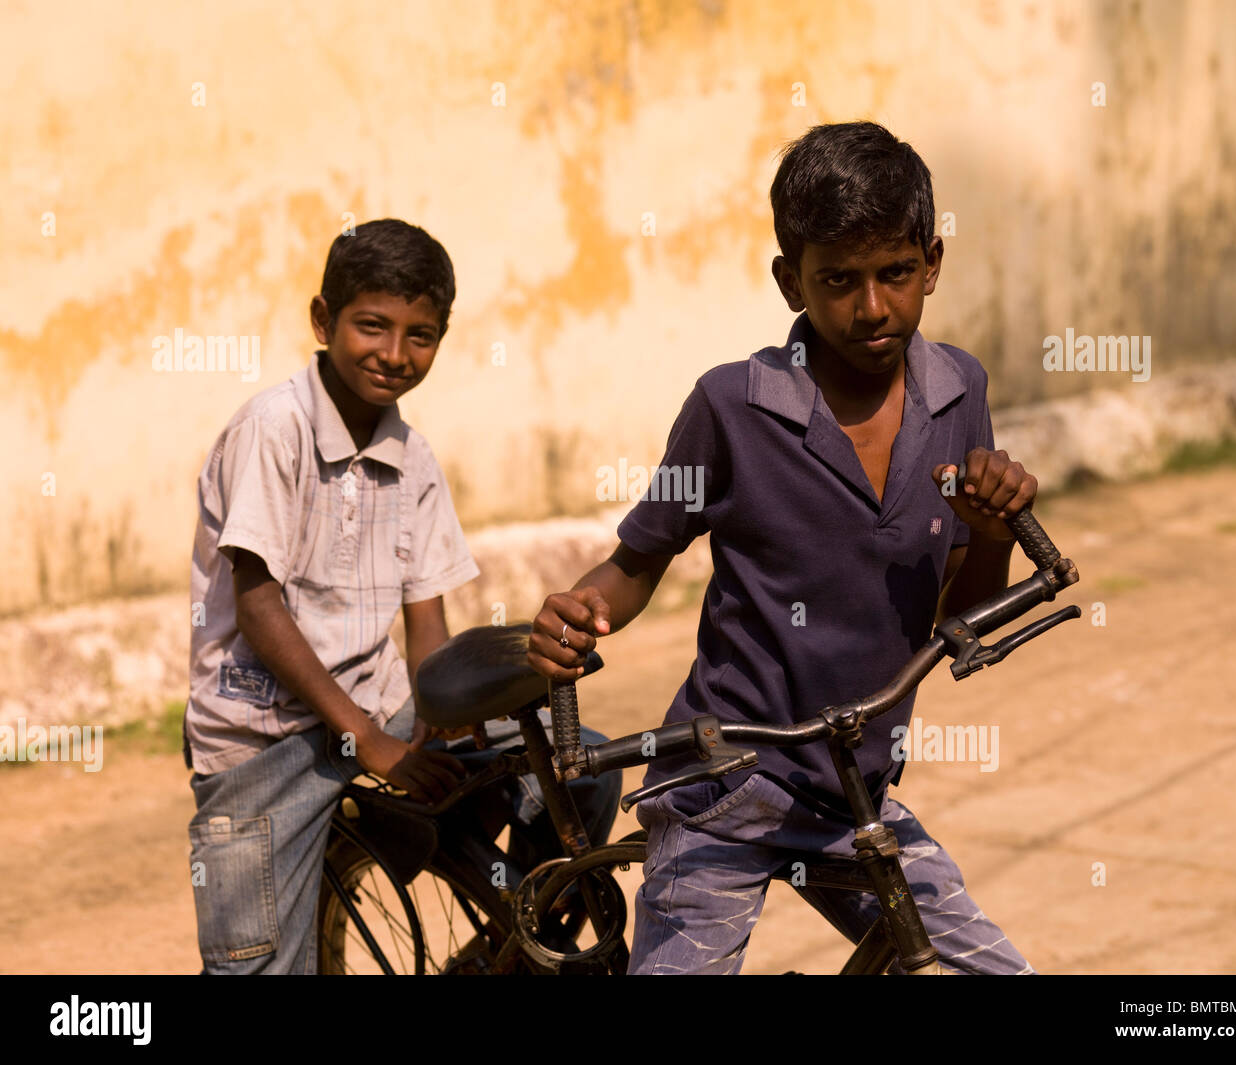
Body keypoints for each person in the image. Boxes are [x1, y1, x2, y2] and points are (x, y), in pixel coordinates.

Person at [528, 122, 1039, 974]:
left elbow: (965, 616)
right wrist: (579, 614)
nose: (872, 306)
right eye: (837, 280)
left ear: (933, 264)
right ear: (788, 280)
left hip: (855, 792)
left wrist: (991, 534)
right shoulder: (732, 406)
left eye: (895, 273)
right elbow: (635, 563)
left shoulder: (960, 392)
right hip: (723, 785)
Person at [184, 218, 620, 974]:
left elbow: (428, 622)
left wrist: (449, 720)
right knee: (253, 966)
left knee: (588, 768)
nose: (394, 354)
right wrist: (371, 743)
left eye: (420, 335)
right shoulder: (273, 430)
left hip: (384, 706)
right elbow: (258, 606)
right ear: (323, 321)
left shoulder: (411, 457)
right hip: (265, 738)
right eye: (372, 326)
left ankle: (516, 944)